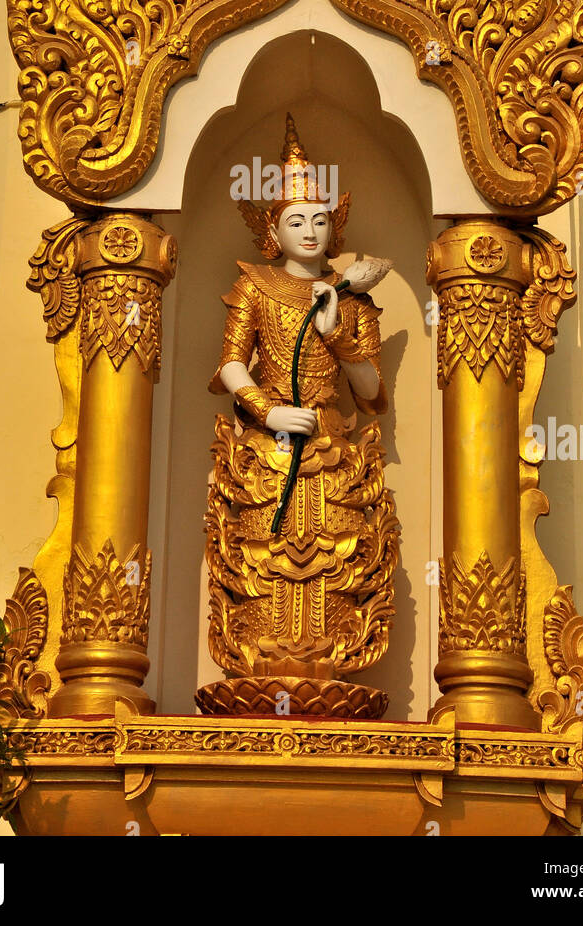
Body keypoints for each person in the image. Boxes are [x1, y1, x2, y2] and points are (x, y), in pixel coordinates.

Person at [200, 114, 399, 717]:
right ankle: (263, 665)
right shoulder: (255, 289)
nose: (308, 231)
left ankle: (329, 667)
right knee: (264, 555)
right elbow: (232, 365)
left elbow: (369, 391)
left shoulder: (351, 298)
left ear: (333, 229)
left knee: (337, 556)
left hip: (332, 447)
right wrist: (268, 411)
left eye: (319, 220)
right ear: (273, 231)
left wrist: (339, 333)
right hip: (270, 450)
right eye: (295, 220)